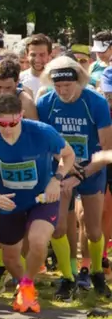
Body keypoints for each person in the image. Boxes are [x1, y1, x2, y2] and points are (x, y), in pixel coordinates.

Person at [0, 92, 76, 312]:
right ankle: (25, 286)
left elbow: (69, 155)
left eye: (13, 122)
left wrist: (56, 180)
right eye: (2, 123)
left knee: (38, 241)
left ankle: (28, 286)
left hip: (42, 198)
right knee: (10, 257)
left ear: (21, 115)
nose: (8, 128)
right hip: (10, 202)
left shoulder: (42, 132)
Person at [36, 56, 112, 300]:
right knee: (58, 228)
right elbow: (44, 145)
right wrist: (61, 174)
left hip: (91, 168)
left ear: (79, 81)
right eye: (57, 86)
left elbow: (107, 149)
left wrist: (79, 176)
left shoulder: (96, 102)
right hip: (59, 170)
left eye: (67, 86)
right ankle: (67, 278)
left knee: (93, 229)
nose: (63, 91)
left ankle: (97, 272)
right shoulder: (46, 102)